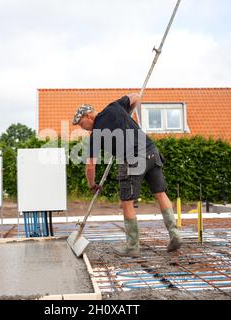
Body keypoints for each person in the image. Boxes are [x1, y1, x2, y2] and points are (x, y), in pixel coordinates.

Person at [72, 94, 182, 257]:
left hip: (132, 159)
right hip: (151, 151)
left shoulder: (96, 134)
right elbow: (136, 97)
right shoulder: (115, 107)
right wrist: (128, 113)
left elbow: (90, 165)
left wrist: (91, 184)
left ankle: (132, 247)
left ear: (88, 116)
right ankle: (175, 235)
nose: (83, 128)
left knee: (127, 203)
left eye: (82, 124)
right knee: (160, 194)